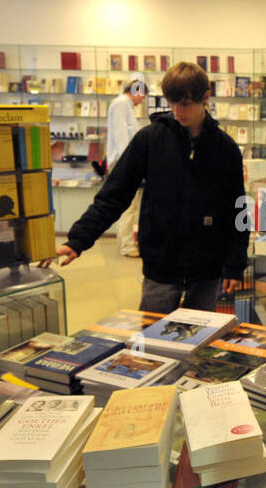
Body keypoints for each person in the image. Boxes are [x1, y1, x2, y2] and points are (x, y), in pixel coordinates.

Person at [52, 62, 248, 312]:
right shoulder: (150, 139)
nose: (177, 111)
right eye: (172, 103)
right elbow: (114, 195)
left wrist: (234, 264)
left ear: (205, 98)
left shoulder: (226, 148)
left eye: (185, 104)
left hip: (208, 268)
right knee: (153, 340)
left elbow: (237, 210)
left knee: (199, 341)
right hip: (161, 265)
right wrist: (79, 239)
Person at [106, 76, 148, 257]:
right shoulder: (122, 104)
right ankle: (127, 246)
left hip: (125, 159)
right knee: (128, 205)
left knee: (130, 204)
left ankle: (125, 241)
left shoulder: (124, 105)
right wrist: (129, 162)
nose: (143, 100)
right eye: (142, 95)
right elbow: (121, 134)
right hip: (124, 160)